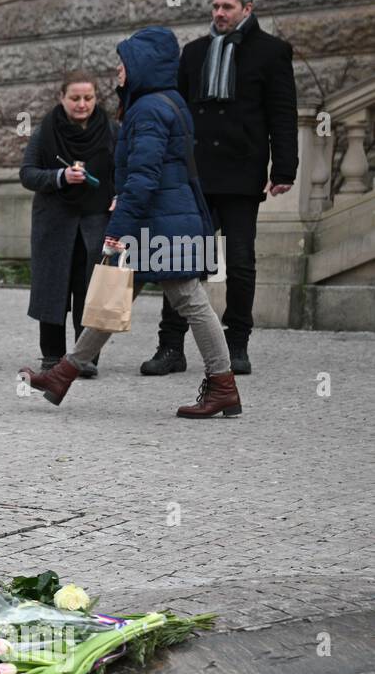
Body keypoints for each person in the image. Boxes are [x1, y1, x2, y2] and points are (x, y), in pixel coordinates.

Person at [21, 27, 243, 419]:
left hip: (161, 223)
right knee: (114, 298)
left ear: (140, 65)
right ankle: (64, 374)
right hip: (163, 218)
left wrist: (116, 229)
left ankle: (223, 385)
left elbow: (143, 177)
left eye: (122, 64)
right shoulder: (162, 102)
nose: (118, 72)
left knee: (190, 299)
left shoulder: (149, 109)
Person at [142, 0, 297, 377]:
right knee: (180, 258)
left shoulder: (271, 52)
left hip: (242, 172)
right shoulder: (193, 53)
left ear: (247, 9)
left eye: (227, 7)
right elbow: (175, 110)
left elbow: (282, 113)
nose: (219, 13)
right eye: (215, 7)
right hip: (194, 175)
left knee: (241, 262)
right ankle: (171, 346)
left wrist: (284, 169)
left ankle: (236, 345)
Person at [19, 70, 116, 376]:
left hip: (95, 220)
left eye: (88, 97)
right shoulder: (46, 130)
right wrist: (60, 177)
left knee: (90, 289)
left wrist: (121, 196)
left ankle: (85, 357)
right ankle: (52, 355)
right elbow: (28, 173)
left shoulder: (112, 130)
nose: (82, 104)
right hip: (54, 221)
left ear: (96, 98)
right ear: (62, 98)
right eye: (75, 98)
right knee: (53, 287)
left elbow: (123, 169)